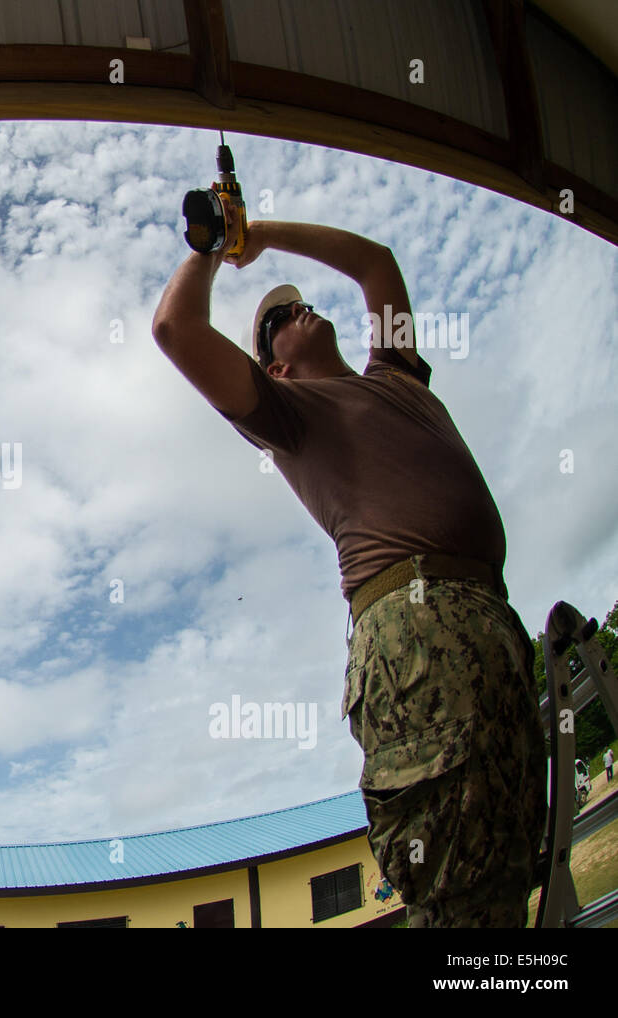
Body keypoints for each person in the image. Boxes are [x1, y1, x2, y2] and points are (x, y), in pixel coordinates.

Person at [151, 207, 546, 928]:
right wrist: (212, 245)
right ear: (275, 365)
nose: (297, 308)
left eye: (298, 303)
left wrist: (260, 233)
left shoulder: (396, 376)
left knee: (511, 864)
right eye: (279, 320)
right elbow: (176, 329)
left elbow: (376, 266)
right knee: (456, 887)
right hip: (416, 639)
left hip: (488, 620)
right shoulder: (287, 411)